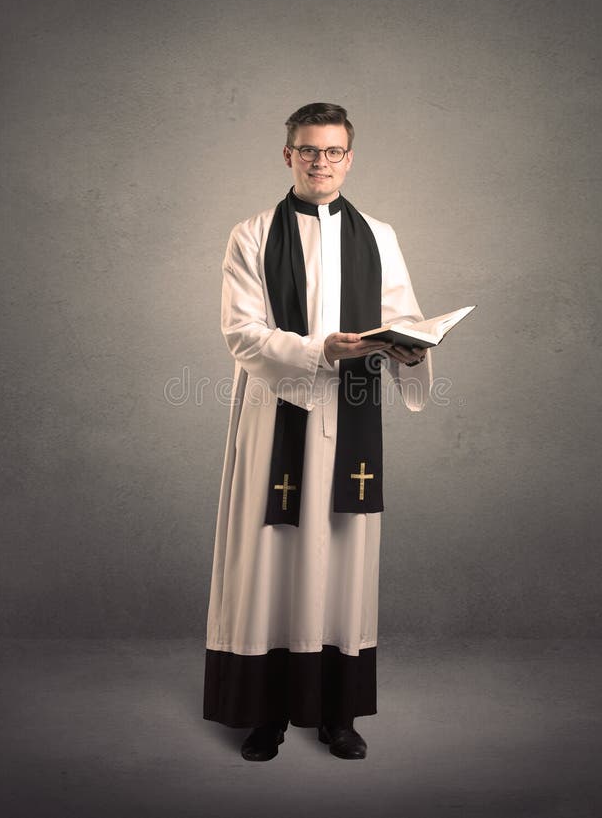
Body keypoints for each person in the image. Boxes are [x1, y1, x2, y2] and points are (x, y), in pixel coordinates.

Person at [203, 103, 433, 760]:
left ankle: (336, 712)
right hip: (275, 410)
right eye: (309, 150)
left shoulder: (379, 235)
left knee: (342, 558)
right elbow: (241, 332)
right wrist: (318, 351)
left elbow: (403, 316)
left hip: (350, 417)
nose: (321, 161)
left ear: (349, 157)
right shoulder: (251, 233)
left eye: (334, 151)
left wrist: (411, 350)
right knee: (271, 558)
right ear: (288, 155)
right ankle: (266, 712)